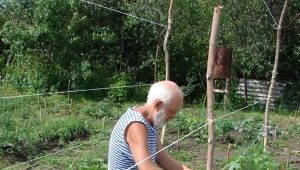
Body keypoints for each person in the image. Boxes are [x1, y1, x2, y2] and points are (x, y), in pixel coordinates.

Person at [108, 80, 191, 170]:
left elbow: (160, 157)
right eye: (171, 111)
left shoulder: (151, 120)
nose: (173, 116)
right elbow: (147, 167)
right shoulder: (136, 125)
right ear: (158, 105)